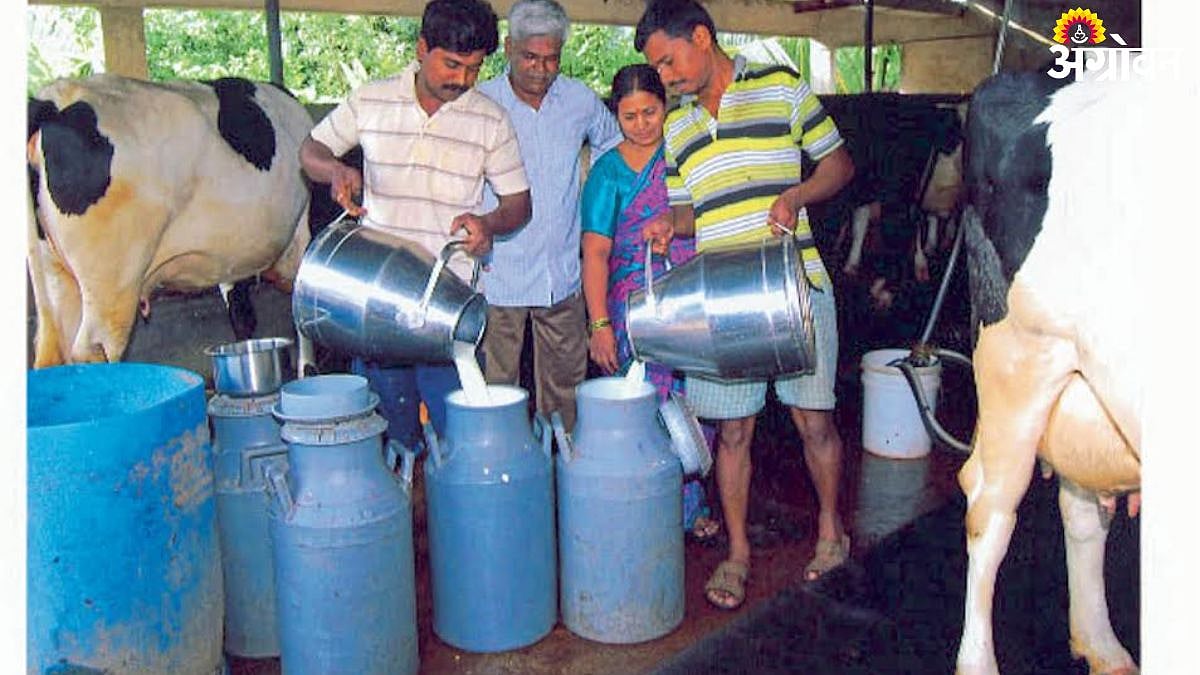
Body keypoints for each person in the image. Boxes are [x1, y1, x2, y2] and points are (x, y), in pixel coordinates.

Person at [635, 0, 856, 610]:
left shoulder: (782, 88)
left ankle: (831, 533)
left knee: (814, 420)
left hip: (795, 285)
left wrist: (796, 194)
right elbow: (690, 213)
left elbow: (839, 165)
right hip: (721, 305)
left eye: (670, 60)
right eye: (657, 68)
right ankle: (736, 553)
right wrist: (666, 226)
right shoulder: (677, 128)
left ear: (701, 37)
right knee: (733, 433)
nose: (667, 76)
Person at [299, 0, 531, 446]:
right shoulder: (371, 100)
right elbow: (311, 150)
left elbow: (519, 203)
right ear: (422, 48)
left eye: (474, 68)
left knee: (461, 439)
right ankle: (401, 507)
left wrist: (488, 223)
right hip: (378, 304)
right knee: (388, 435)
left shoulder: (490, 120)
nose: (461, 80)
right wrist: (336, 172)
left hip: (448, 301)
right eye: (451, 64)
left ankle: (452, 512)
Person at [579, 63, 720, 542]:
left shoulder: (686, 155)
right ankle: (644, 502)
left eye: (651, 112)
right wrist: (599, 323)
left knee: (693, 402)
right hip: (631, 307)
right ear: (615, 115)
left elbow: (714, 216)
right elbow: (595, 252)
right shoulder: (607, 173)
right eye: (629, 115)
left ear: (666, 106)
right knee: (645, 404)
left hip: (691, 298)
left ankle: (690, 505)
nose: (641, 124)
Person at [475, 0, 622, 431]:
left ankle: (564, 473)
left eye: (552, 58)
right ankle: (503, 478)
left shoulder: (578, 100)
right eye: (530, 58)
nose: (541, 69)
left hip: (561, 275)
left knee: (565, 395)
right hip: (497, 275)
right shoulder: (482, 102)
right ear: (508, 48)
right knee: (494, 393)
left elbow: (612, 148)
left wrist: (593, 201)